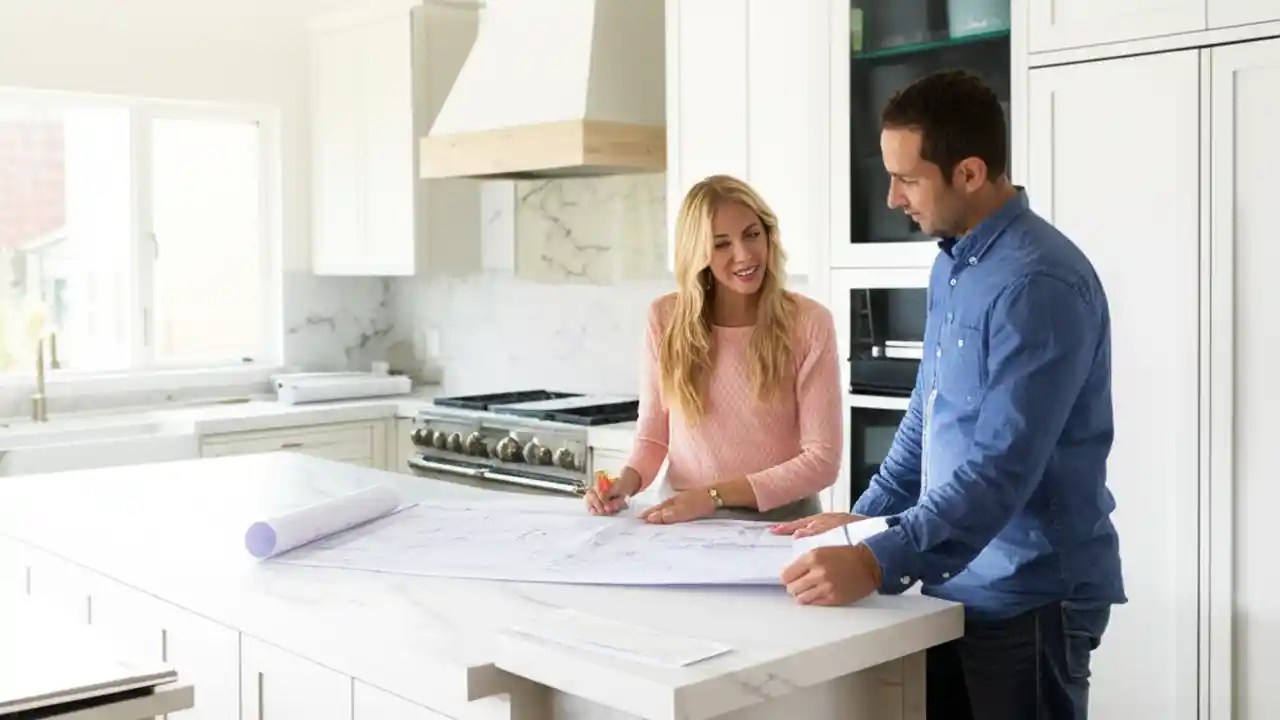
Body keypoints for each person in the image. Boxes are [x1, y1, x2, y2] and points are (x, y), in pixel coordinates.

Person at [774, 70, 1126, 719]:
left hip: (1031, 597)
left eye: (907, 178)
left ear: (968, 173)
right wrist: (866, 518)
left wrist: (879, 563)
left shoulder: (1037, 284)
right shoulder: (955, 262)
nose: (891, 197)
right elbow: (926, 416)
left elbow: (1002, 466)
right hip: (951, 587)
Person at [584, 174, 842, 524]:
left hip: (781, 525)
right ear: (697, 252)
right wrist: (624, 484)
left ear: (769, 234)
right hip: (685, 522)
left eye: (752, 234)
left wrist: (713, 497)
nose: (744, 254)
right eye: (721, 243)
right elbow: (653, 437)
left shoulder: (809, 322)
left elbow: (822, 462)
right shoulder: (665, 318)